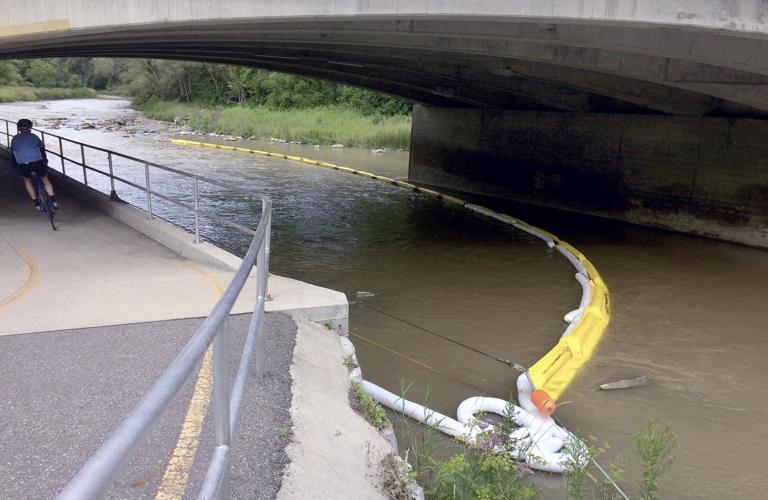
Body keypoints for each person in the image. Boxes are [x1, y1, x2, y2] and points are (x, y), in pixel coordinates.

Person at [10, 118, 57, 211]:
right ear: (30, 127)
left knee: (27, 181)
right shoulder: (34, 136)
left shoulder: (14, 138)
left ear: (19, 128)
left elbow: (12, 153)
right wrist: (44, 160)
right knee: (45, 179)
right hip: (37, 162)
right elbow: (42, 148)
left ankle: (36, 203)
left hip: (23, 165)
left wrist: (15, 164)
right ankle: (53, 200)